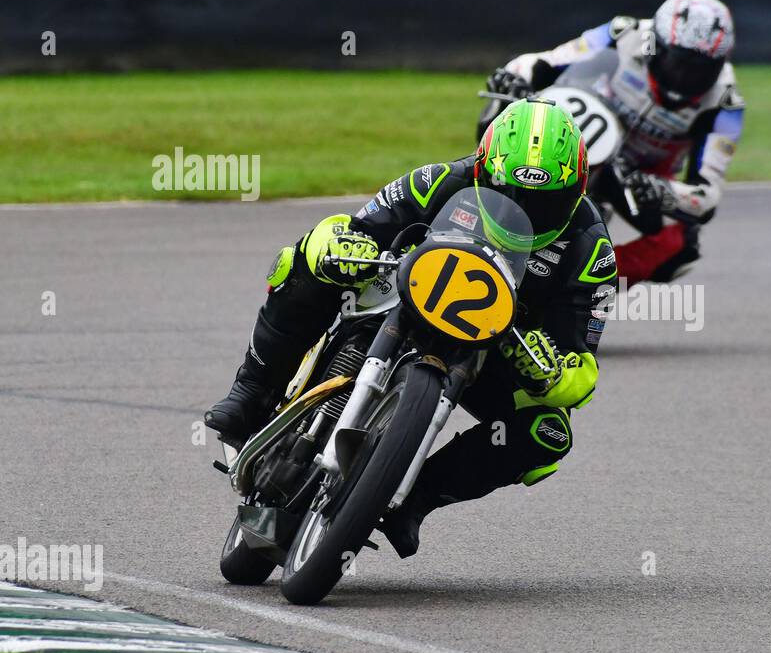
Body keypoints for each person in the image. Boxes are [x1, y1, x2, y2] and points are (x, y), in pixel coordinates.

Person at [205, 99, 614, 557]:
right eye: (511, 193)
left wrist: (551, 371)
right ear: (483, 171)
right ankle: (251, 391)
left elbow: (581, 365)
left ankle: (415, 499)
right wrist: (345, 247)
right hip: (401, 292)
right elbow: (349, 227)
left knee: (548, 432)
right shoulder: (437, 180)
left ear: (579, 189)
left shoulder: (592, 250)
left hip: (496, 347)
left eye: (547, 201)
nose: (527, 210)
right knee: (302, 261)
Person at [482, 0, 743, 284]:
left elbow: (705, 197)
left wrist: (661, 190)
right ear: (656, 46)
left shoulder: (725, 104)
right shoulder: (623, 33)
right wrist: (515, 79)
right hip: (572, 137)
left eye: (702, 70)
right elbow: (545, 61)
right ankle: (473, 188)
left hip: (636, 178)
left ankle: (586, 279)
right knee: (504, 106)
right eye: (679, 63)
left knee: (681, 245)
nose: (686, 78)